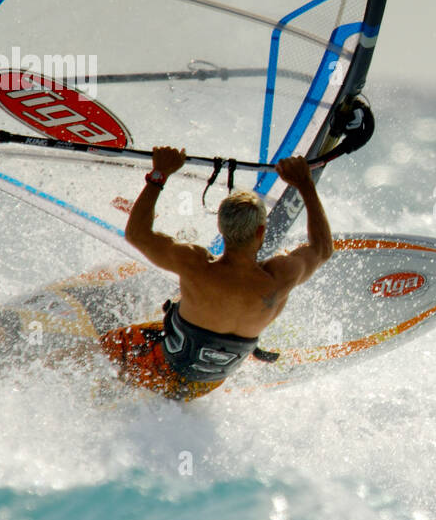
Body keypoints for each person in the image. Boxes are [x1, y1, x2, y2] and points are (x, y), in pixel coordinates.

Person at [97, 146, 333, 401]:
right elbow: (322, 248)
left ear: (220, 227)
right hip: (203, 385)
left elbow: (137, 235)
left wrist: (160, 173)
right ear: (261, 232)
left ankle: (95, 388)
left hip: (159, 363)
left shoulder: (197, 265)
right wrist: (305, 184)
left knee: (91, 354)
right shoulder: (281, 277)